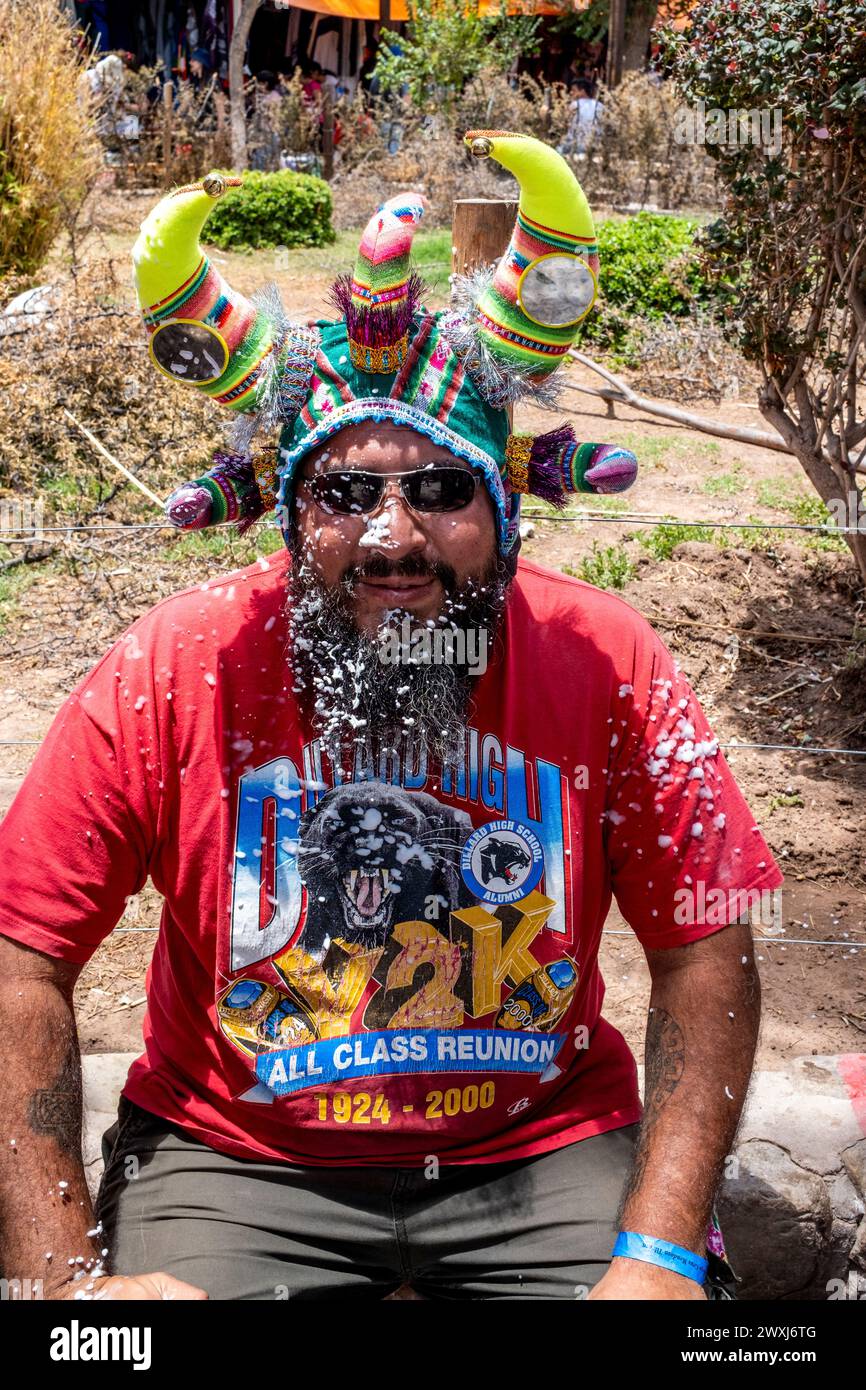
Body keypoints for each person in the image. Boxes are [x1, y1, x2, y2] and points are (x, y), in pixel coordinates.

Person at [0, 134, 781, 1301]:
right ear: (288, 507)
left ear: (506, 503)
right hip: (237, 1161)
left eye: (440, 489)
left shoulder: (606, 658)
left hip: (542, 1149)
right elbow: (20, 963)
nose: (393, 538)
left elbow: (706, 949)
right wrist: (66, 1289)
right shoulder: (173, 664)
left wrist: (661, 1250)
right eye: (347, 493)